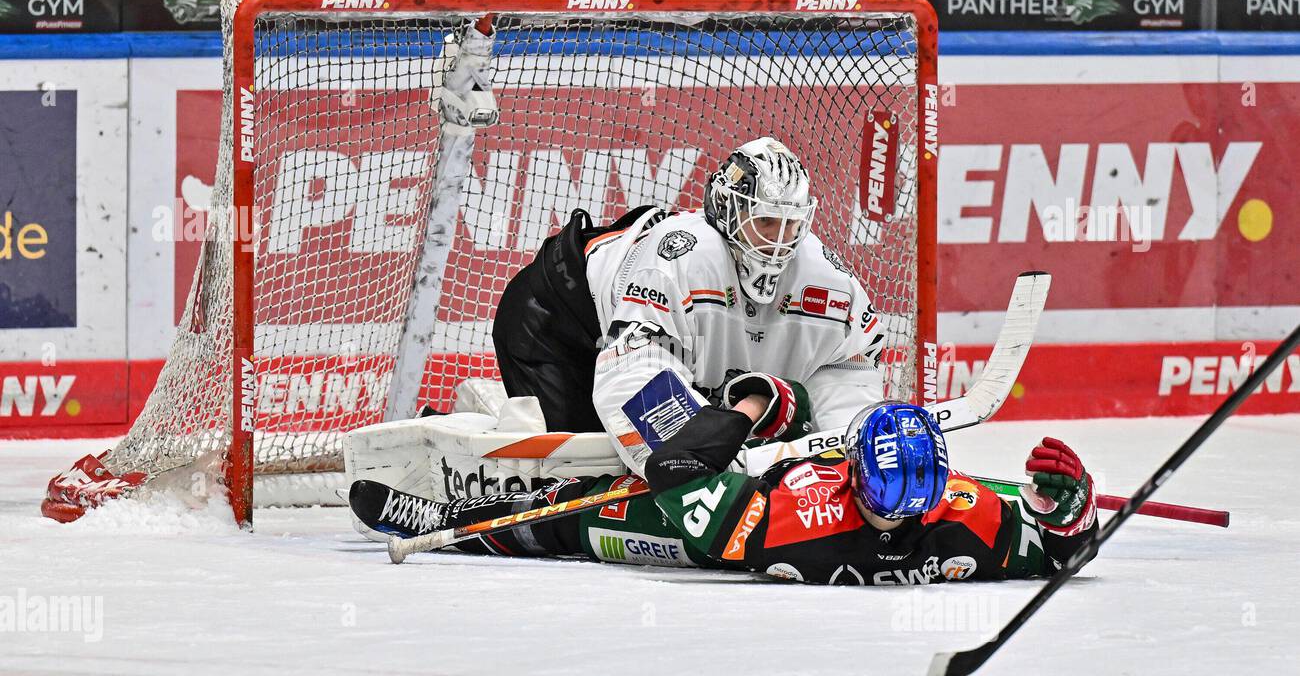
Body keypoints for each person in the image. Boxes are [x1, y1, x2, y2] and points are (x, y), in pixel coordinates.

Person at [350, 394, 1099, 585]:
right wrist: (1069, 514)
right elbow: (1055, 549)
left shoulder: (795, 523)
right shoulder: (962, 518)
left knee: (584, 518)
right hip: (755, 504)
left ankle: (456, 520)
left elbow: (677, 475)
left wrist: (753, 408)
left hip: (712, 539)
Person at [491, 137, 887, 474]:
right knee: (578, 465)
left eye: (792, 225)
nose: (780, 241)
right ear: (729, 210)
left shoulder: (830, 281)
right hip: (559, 317)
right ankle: (493, 408)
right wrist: (694, 458)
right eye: (766, 222)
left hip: (631, 330)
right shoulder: (682, 257)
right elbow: (633, 374)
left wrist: (849, 464)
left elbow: (844, 372)